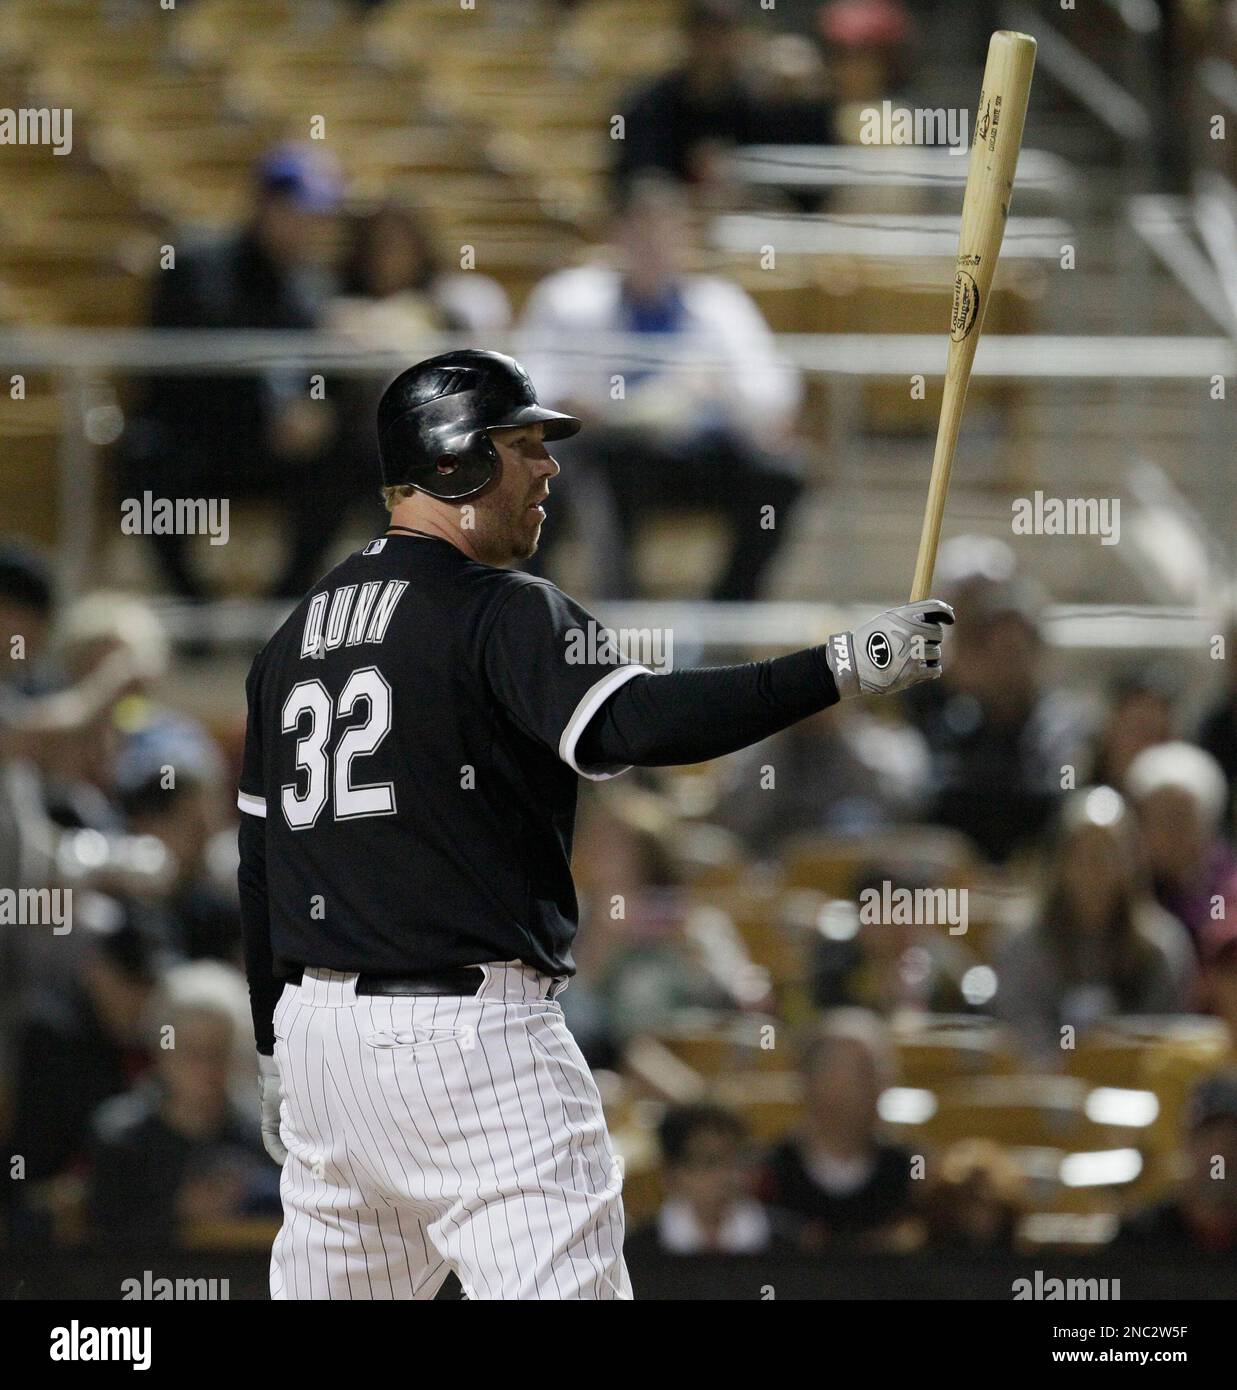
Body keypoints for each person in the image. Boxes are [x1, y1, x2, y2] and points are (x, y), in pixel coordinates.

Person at [236, 347, 954, 1300]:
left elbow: (259, 864)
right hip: (468, 1044)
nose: (548, 469)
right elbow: (635, 722)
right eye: (522, 446)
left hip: (321, 1042)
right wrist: (839, 666)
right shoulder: (502, 610)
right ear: (456, 460)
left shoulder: (292, 638)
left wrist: (270, 1045)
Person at [518, 177, 804, 599]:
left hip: (696, 454)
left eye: (667, 232)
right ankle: (567, 611)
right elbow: (529, 383)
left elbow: (773, 393)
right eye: (641, 231)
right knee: (562, 470)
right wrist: (578, 403)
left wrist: (719, 387)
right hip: (606, 451)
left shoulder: (721, 305)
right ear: (616, 235)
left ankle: (727, 613)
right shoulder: (567, 298)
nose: (654, 245)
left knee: (782, 474)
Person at [119, 144, 348, 604]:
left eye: (316, 216)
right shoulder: (197, 265)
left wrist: (316, 409)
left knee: (350, 455)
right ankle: (192, 606)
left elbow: (319, 374)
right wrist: (267, 414)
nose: (307, 227)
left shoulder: (313, 285)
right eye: (296, 212)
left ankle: (285, 601)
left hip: (274, 448)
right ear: (264, 205)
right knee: (144, 457)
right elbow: (186, 366)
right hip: (195, 439)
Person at [993, 787, 1194, 1060]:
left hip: (1134, 1089)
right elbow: (1021, 1032)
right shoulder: (1022, 944)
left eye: (1108, 854)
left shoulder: (1162, 947)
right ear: (1060, 862)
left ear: (1131, 863)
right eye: (1083, 855)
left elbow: (1164, 1037)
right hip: (1047, 1091)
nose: (1095, 869)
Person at [86, 961, 278, 1245]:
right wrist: (177, 1212)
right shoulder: (120, 1139)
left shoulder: (260, 1137)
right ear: (160, 1053)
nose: (205, 1067)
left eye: (217, 1052)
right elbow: (98, 1241)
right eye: (190, 1052)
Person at [758, 1009, 916, 1249]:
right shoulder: (770, 1173)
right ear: (808, 1083)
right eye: (849, 1074)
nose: (862, 1089)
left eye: (872, 1074)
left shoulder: (908, 1174)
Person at [624, 1104, 790, 1266]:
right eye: (709, 1162)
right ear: (672, 1175)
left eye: (737, 1160)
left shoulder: (786, 1243)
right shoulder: (636, 1254)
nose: (727, 1175)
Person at [1125, 742, 1237, 948]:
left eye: (1181, 818)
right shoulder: (1124, 888)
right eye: (1161, 818)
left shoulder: (1227, 892)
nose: (1171, 833)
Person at [1110, 1072, 1237, 1253]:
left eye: (1233, 1139)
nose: (1221, 1152)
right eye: (1210, 1137)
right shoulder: (1142, 1234)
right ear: (1188, 1143)